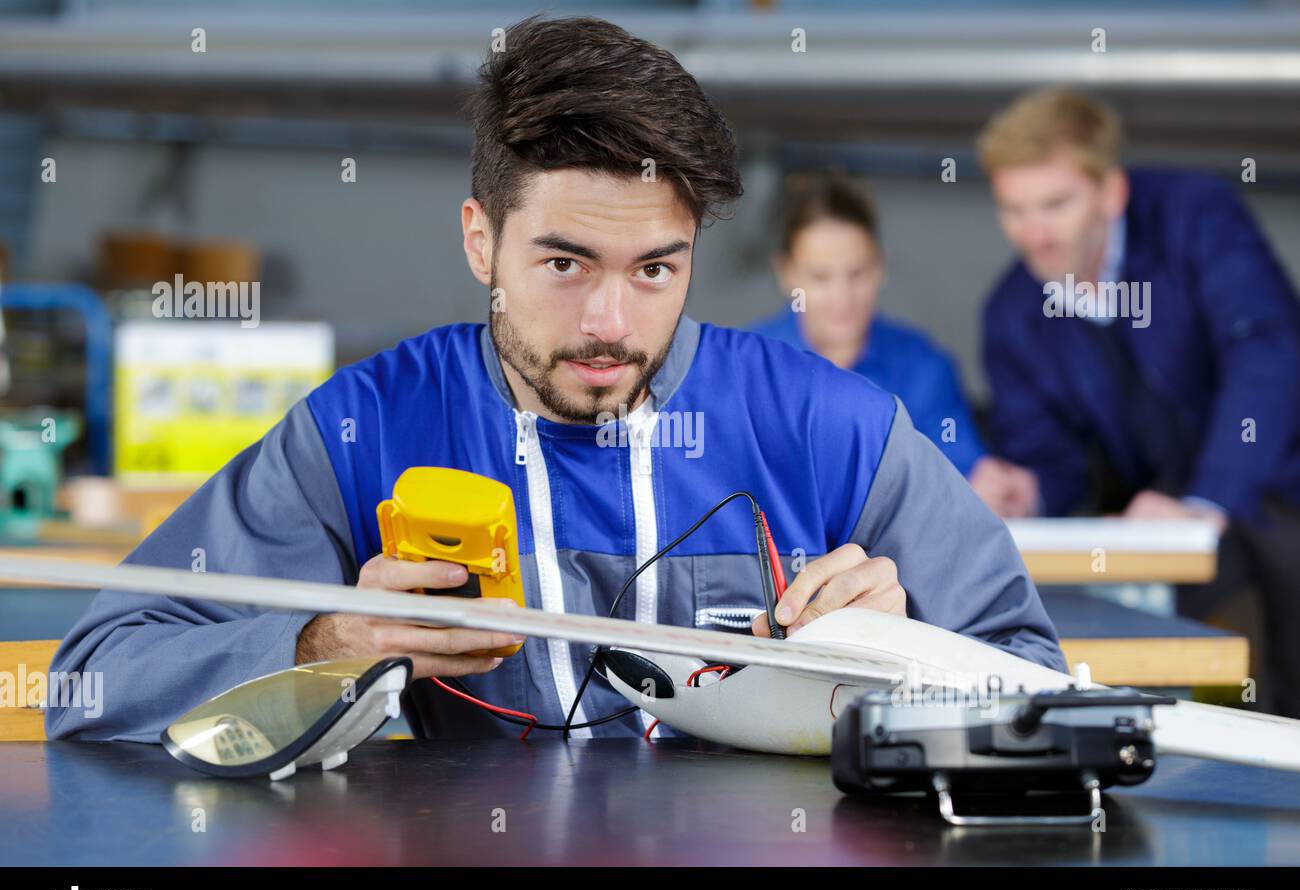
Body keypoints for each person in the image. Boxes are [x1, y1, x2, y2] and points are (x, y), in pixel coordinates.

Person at [46, 16, 1064, 743]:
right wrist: (317, 639)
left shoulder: (832, 428)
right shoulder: (363, 428)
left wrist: (907, 663)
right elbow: (90, 677)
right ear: (480, 240)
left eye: (656, 268)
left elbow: (1043, 688)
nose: (612, 324)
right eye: (565, 263)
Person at [977, 87, 1300, 717]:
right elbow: (1050, 450)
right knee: (1136, 645)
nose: (1034, 235)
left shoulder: (1196, 216)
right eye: (1013, 210)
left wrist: (1210, 498)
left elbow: (1266, 349)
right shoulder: (1013, 312)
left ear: (1111, 192)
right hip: (1169, 505)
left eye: (1055, 204)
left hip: (1280, 470)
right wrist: (1029, 487)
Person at [750, 172, 1035, 498]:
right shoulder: (749, 368)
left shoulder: (924, 367)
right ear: (785, 273)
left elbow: (962, 476)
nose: (842, 297)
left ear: (880, 267)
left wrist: (990, 486)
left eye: (857, 273)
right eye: (820, 277)